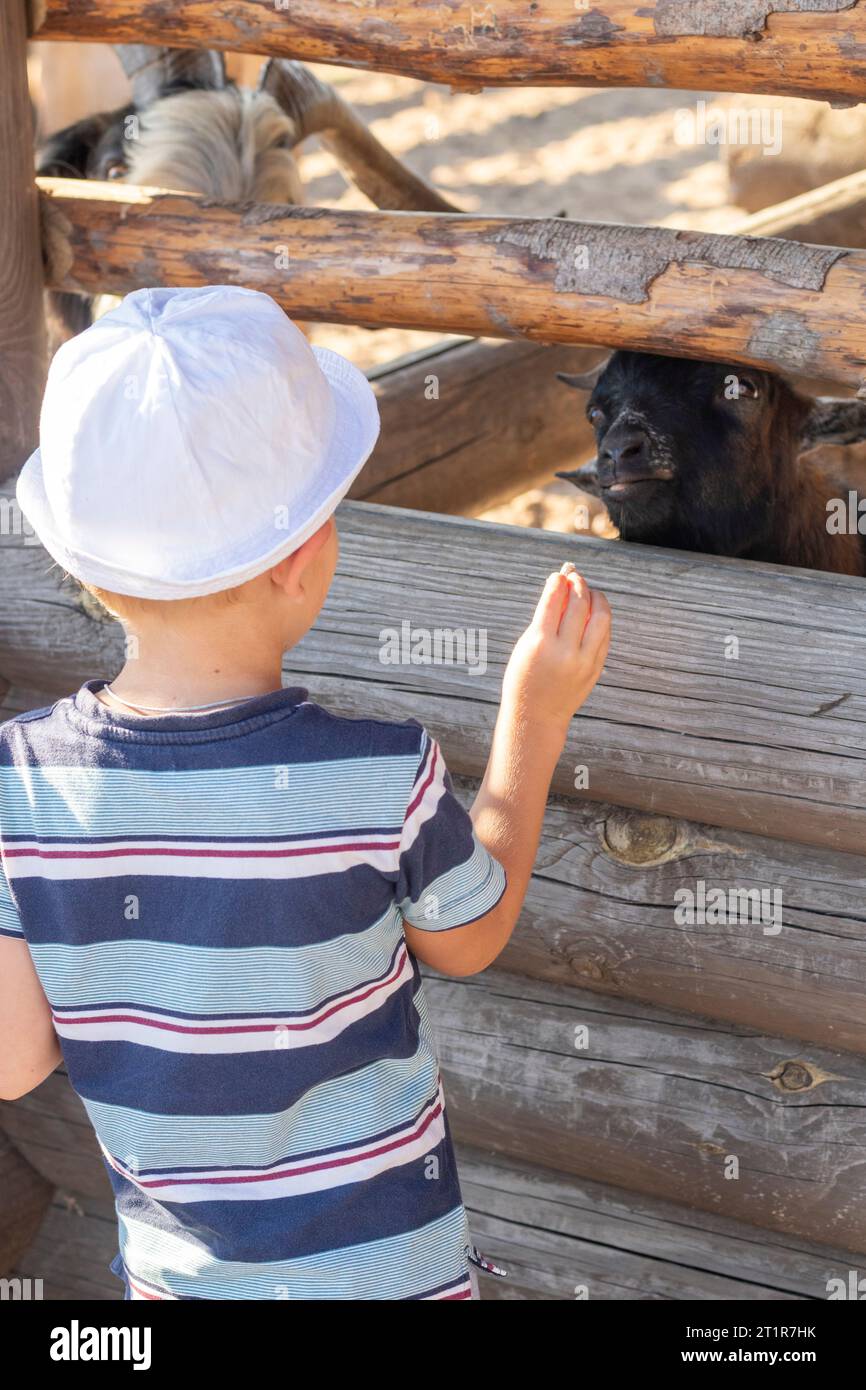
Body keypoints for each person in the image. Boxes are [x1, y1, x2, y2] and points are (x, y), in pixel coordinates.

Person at [0, 285, 610, 1300]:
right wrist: (536, 718)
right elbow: (467, 933)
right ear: (305, 554)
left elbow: (16, 1057)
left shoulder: (22, 784)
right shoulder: (376, 769)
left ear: (88, 564)